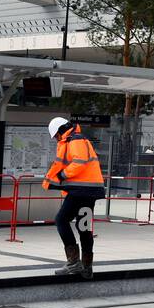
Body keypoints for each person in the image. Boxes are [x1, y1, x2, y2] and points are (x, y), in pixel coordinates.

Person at [43, 117, 106, 280]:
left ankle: (73, 262)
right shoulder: (81, 139)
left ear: (61, 130)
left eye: (56, 135)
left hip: (80, 190)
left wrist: (61, 176)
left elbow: (80, 162)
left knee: (61, 219)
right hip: (90, 190)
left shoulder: (75, 140)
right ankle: (87, 266)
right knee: (84, 227)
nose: (57, 139)